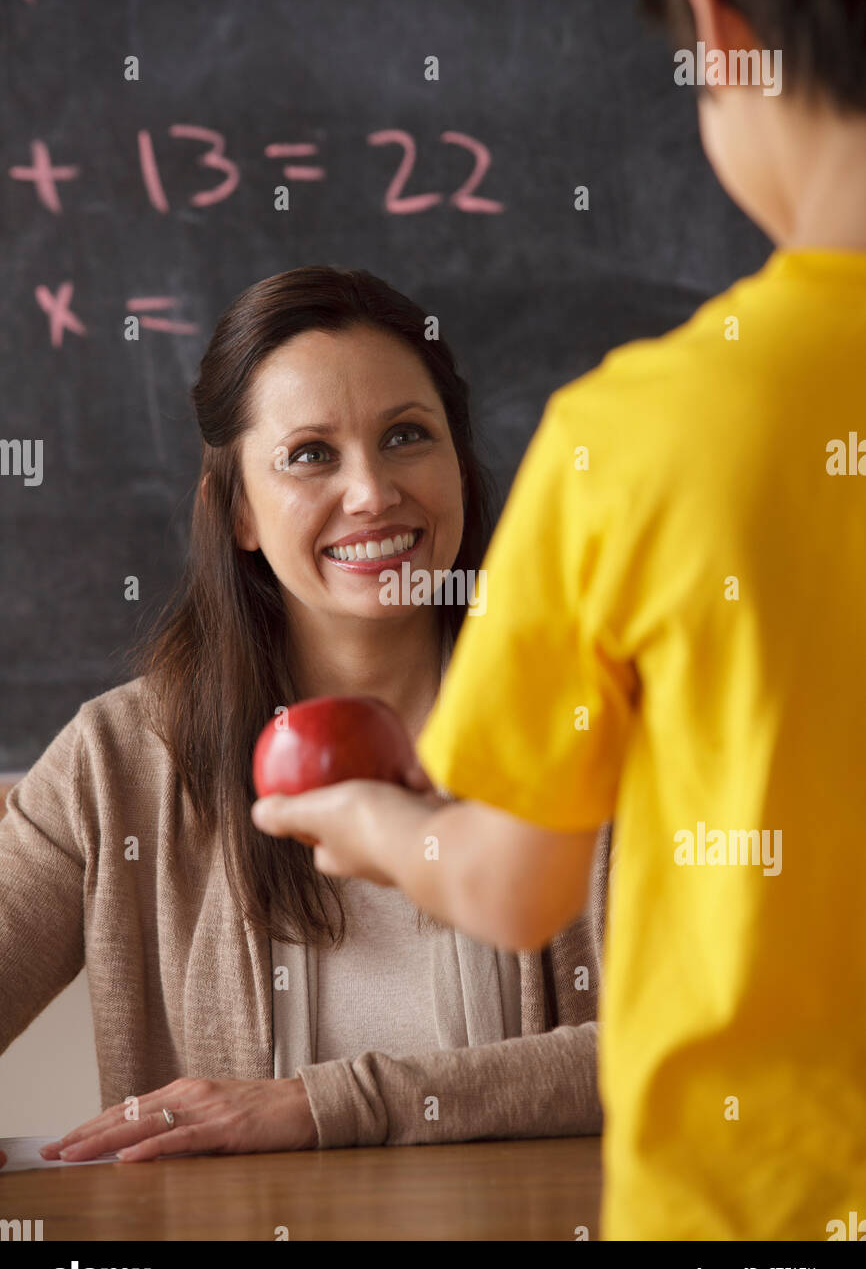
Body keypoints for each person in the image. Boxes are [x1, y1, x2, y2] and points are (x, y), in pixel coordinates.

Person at [251, 0, 866, 1240]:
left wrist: (369, 826)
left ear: (714, 13)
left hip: (760, 1220)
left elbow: (512, 885)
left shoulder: (643, 437)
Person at [0, 266, 609, 1172]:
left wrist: (319, 1107)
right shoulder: (115, 760)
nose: (370, 492)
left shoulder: (591, 722)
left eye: (407, 436)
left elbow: (682, 1036)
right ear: (238, 511)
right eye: (310, 454)